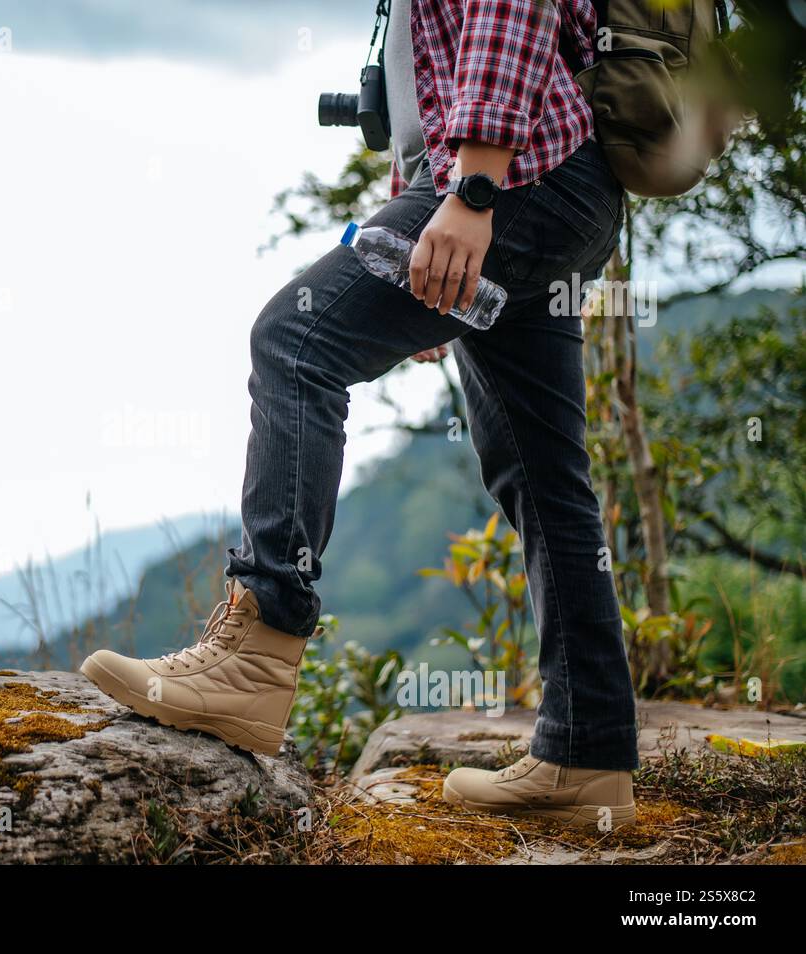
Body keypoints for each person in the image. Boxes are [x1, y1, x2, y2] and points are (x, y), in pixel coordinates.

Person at [81, 0, 638, 829]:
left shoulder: (491, 177)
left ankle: (258, 650)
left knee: (294, 340)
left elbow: (512, 6)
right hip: (559, 184)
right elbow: (437, 65)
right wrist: (421, 206)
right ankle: (588, 750)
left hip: (519, 176)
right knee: (538, 466)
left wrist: (472, 191)